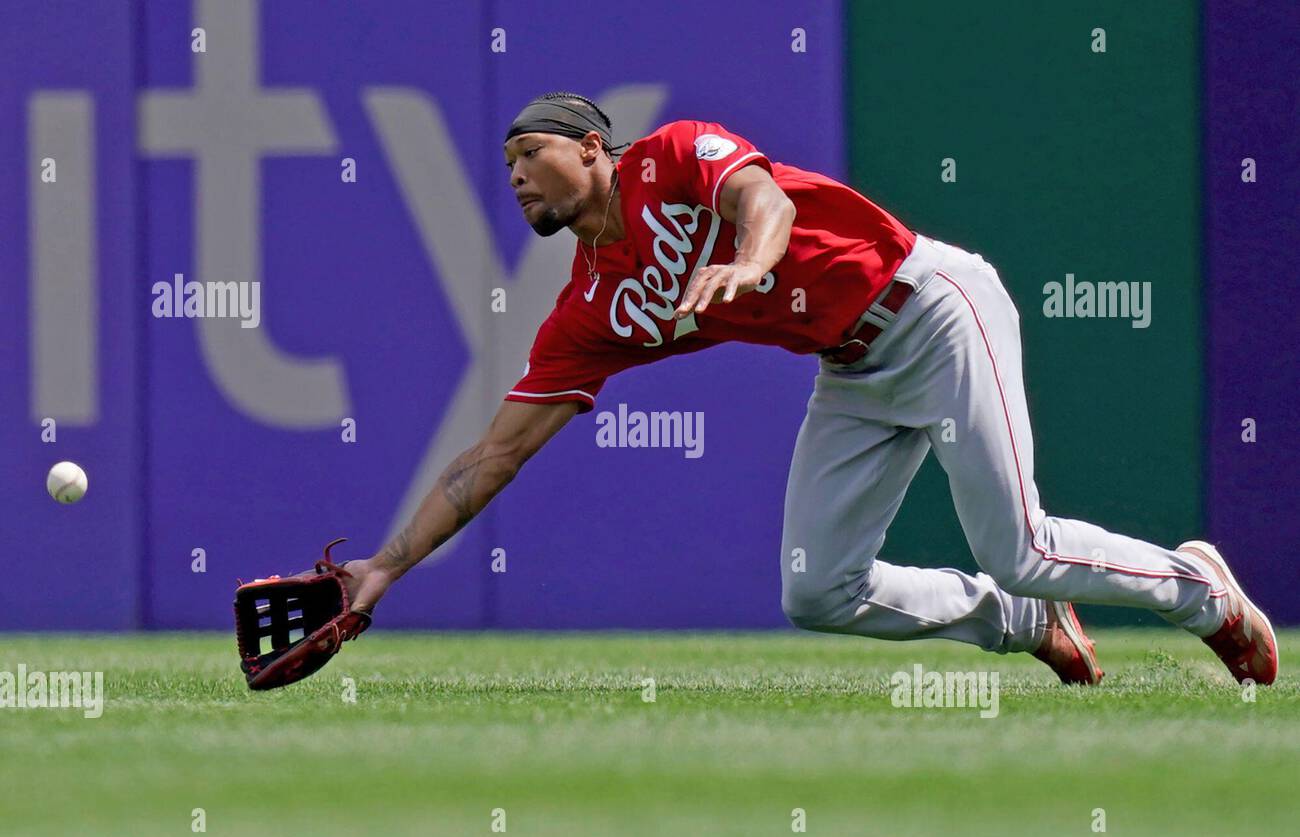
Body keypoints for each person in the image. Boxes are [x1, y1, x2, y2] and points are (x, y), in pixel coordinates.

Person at [336, 91, 1277, 686]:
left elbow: (766, 203)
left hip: (933, 306)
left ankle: (1204, 592)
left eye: (528, 152)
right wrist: (384, 569)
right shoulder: (592, 308)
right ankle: (1015, 622)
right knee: (818, 590)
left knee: (1020, 542)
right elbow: (491, 456)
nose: (513, 175)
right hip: (855, 366)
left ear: (590, 147)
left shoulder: (671, 154)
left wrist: (749, 263)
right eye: (503, 168)